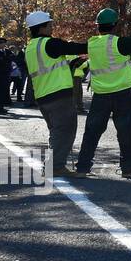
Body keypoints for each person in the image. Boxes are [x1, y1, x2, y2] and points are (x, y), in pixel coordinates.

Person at [75, 8, 131, 179]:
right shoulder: (119, 43)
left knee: (92, 132)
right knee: (125, 132)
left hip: (100, 94)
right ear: (115, 25)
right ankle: (128, 169)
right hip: (122, 94)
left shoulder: (92, 44)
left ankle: (82, 168)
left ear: (98, 26)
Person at [21, 11, 88, 177]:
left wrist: (72, 63)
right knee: (65, 130)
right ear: (41, 28)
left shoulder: (30, 47)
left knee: (56, 131)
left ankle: (54, 165)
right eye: (49, 25)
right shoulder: (50, 43)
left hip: (43, 95)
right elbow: (75, 47)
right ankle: (55, 167)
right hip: (58, 94)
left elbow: (49, 67)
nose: (52, 27)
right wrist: (96, 44)